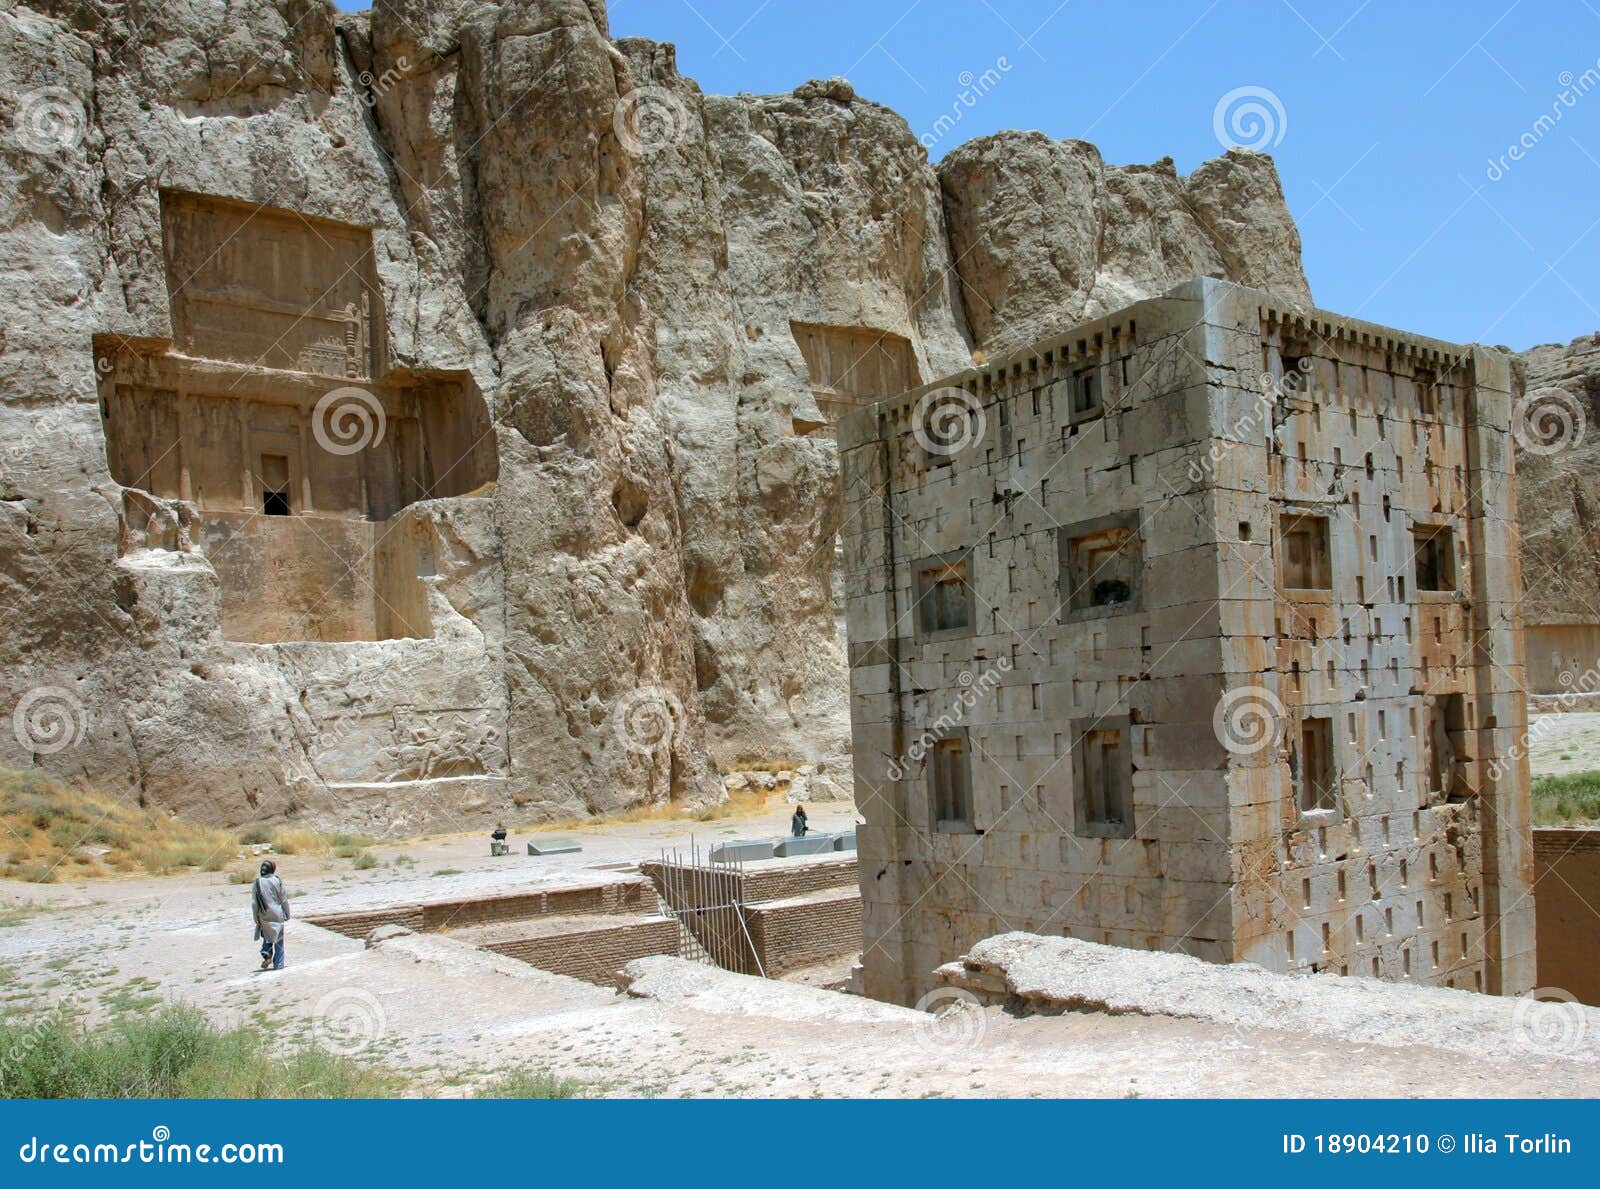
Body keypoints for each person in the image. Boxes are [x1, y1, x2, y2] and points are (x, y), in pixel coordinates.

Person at [251, 859, 291, 971]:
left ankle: (267, 952)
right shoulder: (277, 881)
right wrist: (287, 913)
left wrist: (255, 917)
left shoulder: (257, 882)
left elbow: (254, 903)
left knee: (267, 934)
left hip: (264, 913)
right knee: (279, 938)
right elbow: (283, 899)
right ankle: (279, 964)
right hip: (277, 913)